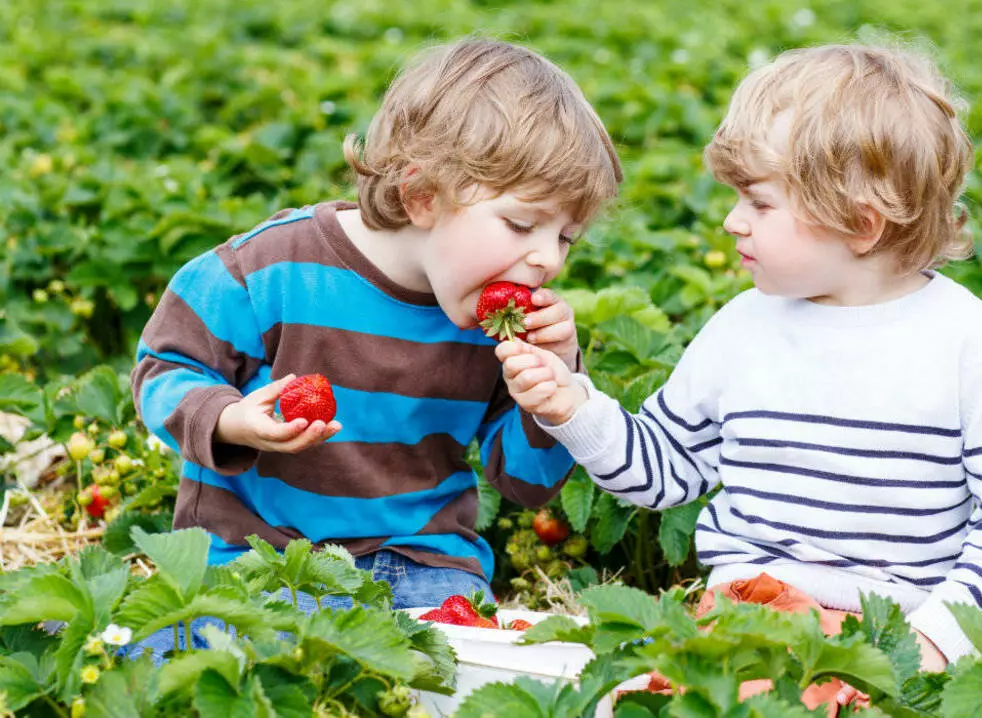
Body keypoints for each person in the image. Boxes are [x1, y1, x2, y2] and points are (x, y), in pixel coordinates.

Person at [496, 42, 982, 709]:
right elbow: (666, 470)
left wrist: (939, 639)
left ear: (859, 223)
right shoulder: (743, 327)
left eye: (759, 204)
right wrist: (574, 407)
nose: (733, 220)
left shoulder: (962, 339)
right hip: (751, 609)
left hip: (901, 628)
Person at [130, 36, 622, 641]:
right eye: (522, 224)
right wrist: (229, 421)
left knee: (458, 665)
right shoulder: (271, 270)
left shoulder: (504, 331)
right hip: (258, 555)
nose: (546, 258)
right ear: (420, 195)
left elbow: (525, 481)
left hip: (424, 564)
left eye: (566, 237)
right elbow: (163, 367)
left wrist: (558, 387)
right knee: (197, 649)